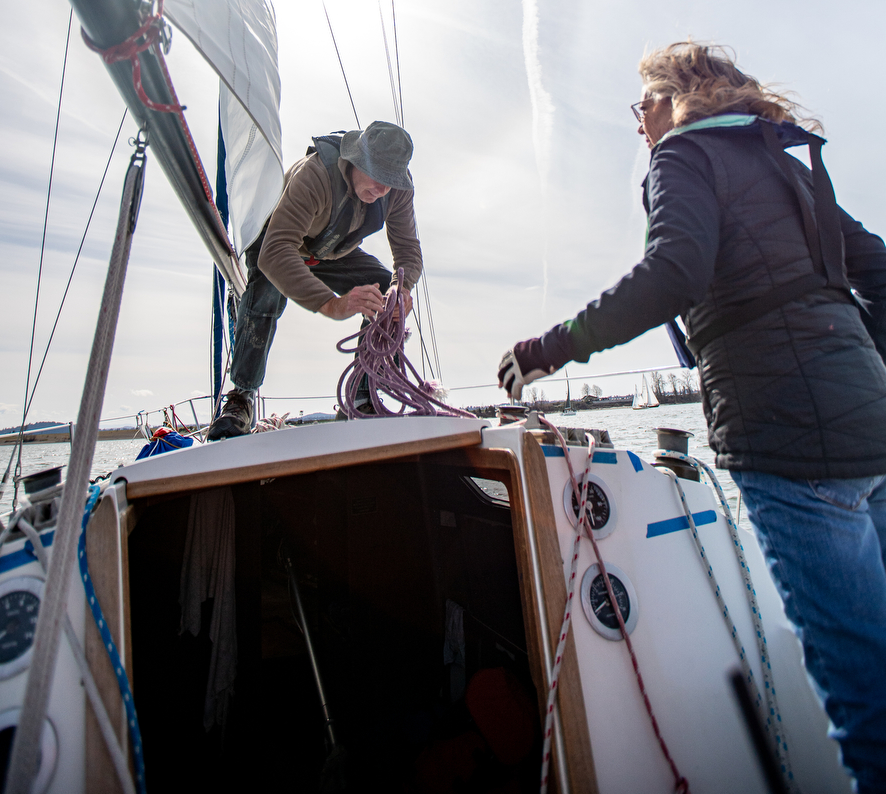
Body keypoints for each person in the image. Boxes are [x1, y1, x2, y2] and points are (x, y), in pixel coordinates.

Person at [498, 42, 886, 794]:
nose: (638, 120)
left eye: (642, 101)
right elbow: (875, 269)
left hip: (789, 441)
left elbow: (673, 272)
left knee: (865, 696)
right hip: (869, 428)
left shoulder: (681, 155)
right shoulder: (786, 161)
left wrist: (550, 348)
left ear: (675, 97)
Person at [210, 120, 422, 438]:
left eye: (390, 181)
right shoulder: (315, 175)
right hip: (277, 242)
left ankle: (360, 396)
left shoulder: (397, 190)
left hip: (330, 251)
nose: (382, 189)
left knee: (383, 289)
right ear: (356, 160)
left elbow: (407, 249)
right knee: (267, 294)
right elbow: (275, 251)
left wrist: (400, 288)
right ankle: (241, 398)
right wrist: (331, 304)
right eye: (378, 176)